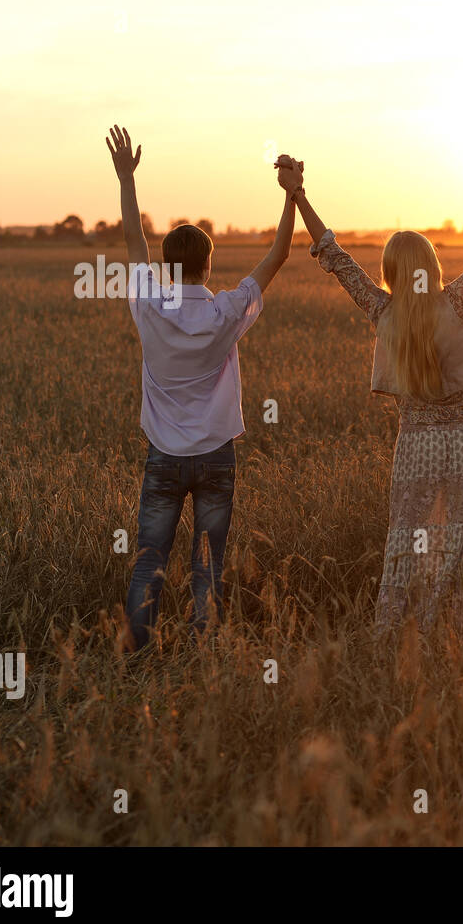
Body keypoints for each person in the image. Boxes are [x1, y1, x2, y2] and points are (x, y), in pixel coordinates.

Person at [275, 140, 463, 630]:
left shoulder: (381, 311)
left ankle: (410, 631)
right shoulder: (456, 302)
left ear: (389, 273)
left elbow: (334, 257)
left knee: (413, 542)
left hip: (417, 450)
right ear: (432, 267)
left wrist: (298, 195)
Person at [107, 125, 296, 651]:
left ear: (167, 265)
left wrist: (126, 177)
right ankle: (201, 650)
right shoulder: (225, 310)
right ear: (209, 264)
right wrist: (291, 195)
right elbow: (279, 255)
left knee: (150, 559)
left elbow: (132, 240)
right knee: (207, 563)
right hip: (216, 457)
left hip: (163, 457)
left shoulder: (148, 303)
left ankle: (139, 654)